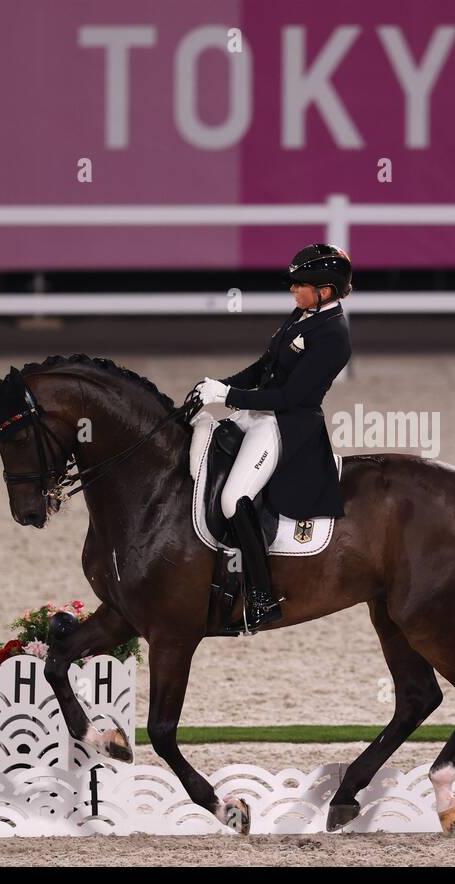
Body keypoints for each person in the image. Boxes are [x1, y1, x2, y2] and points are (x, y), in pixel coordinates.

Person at [192, 243, 353, 630]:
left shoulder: (334, 335)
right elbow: (264, 368)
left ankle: (261, 595)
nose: (293, 290)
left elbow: (290, 397)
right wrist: (217, 386)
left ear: (325, 291)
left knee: (234, 497)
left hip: (284, 424)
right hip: (256, 412)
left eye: (300, 285)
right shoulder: (303, 315)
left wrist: (228, 397)